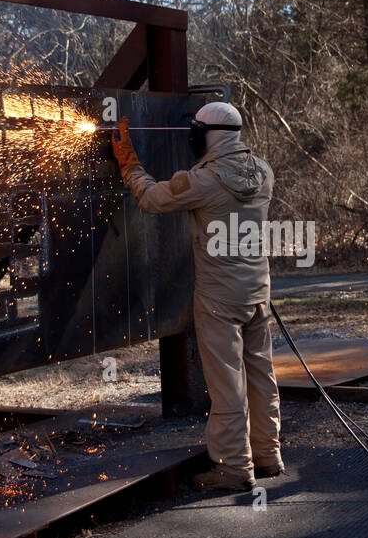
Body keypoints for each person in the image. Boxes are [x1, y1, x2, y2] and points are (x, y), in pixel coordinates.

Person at [111, 101, 283, 491]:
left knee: (226, 383)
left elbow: (152, 198)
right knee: (260, 376)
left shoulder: (203, 180)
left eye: (196, 129)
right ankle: (267, 455)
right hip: (257, 293)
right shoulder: (264, 172)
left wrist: (128, 162)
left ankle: (235, 469)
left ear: (208, 135)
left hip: (219, 300)